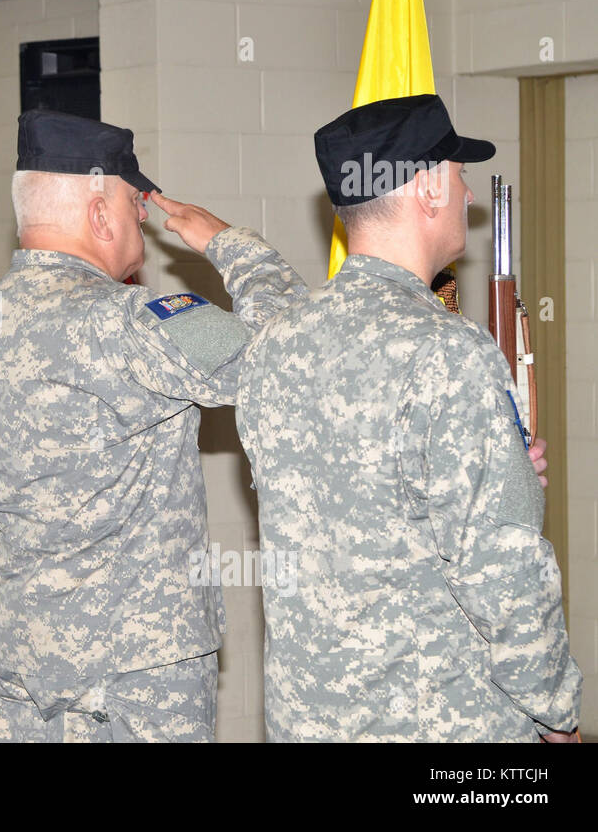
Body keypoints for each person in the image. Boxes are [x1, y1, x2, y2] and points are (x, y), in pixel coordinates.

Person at [0, 109, 308, 742]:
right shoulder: (136, 321)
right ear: (100, 212)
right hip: (143, 674)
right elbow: (292, 359)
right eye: (136, 201)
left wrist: (8, 619)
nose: (143, 216)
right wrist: (233, 247)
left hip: (21, 663)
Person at [236, 93, 582, 741]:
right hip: (438, 724)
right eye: (459, 177)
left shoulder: (275, 342)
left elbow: (356, 503)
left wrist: (493, 470)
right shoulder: (448, 349)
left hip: (310, 719)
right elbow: (500, 565)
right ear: (426, 189)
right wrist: (554, 706)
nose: (469, 197)